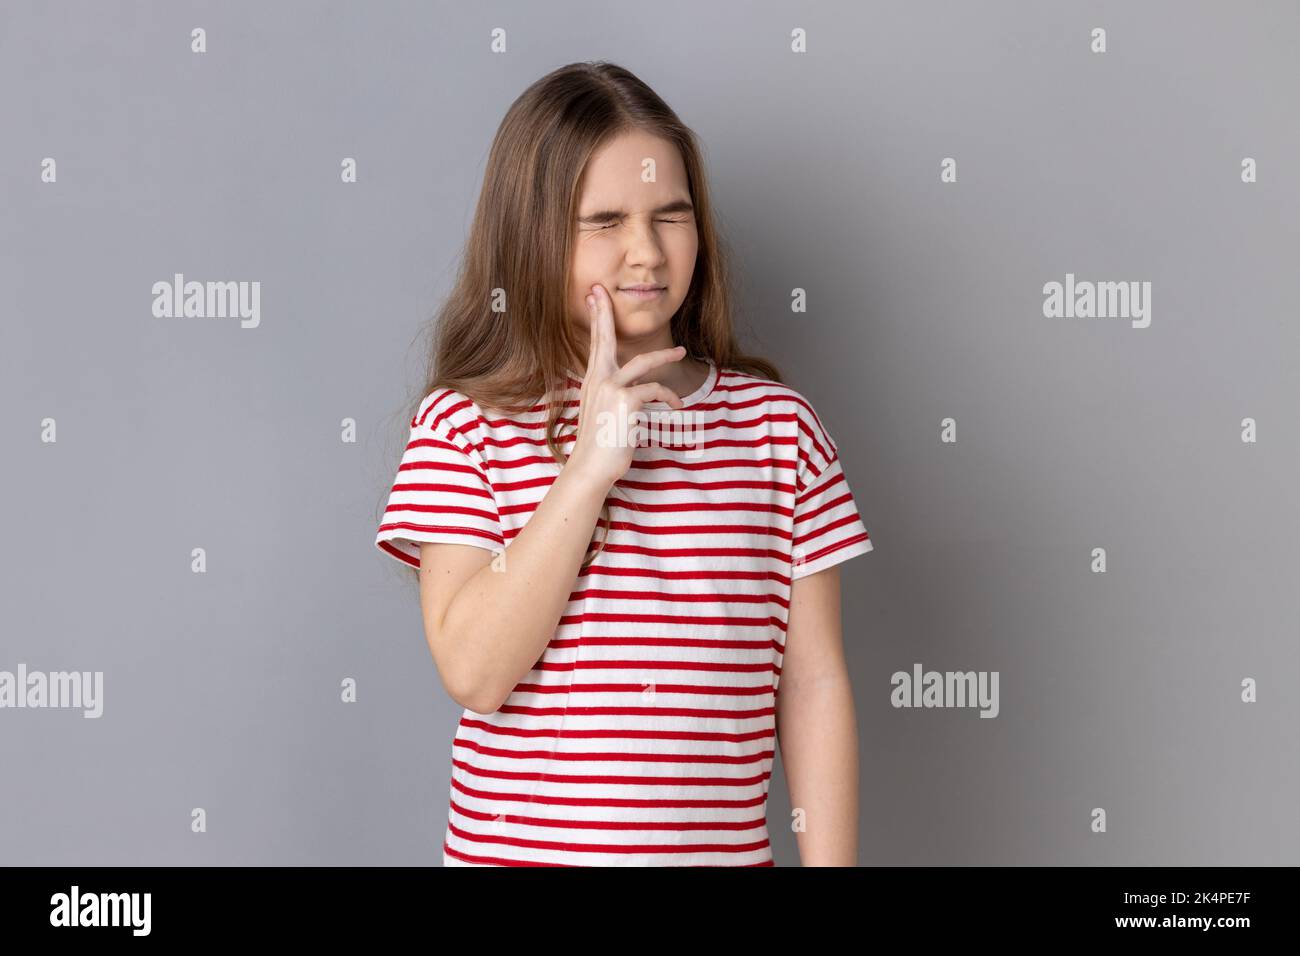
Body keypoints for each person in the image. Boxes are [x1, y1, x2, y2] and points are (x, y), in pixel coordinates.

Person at [375, 61, 875, 866]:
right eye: (603, 221)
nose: (644, 251)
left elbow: (813, 687)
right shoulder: (467, 424)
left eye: (670, 216)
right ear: (529, 234)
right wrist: (587, 469)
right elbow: (473, 671)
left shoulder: (779, 431)